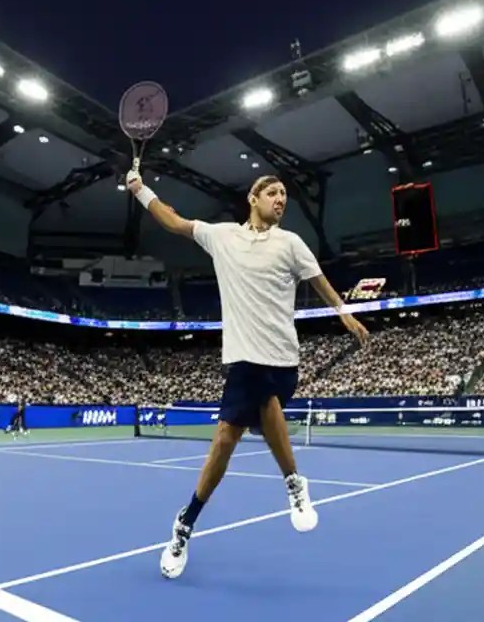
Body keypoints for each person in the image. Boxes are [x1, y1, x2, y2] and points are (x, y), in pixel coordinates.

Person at [126, 169, 369, 579]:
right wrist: (139, 189)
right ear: (252, 198)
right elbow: (172, 220)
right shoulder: (221, 236)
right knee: (229, 432)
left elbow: (319, 280)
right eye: (273, 192)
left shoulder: (291, 243)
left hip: (284, 357)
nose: (281, 199)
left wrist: (344, 313)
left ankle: (189, 519)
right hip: (244, 356)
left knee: (235, 432)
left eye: (285, 195)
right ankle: (281, 487)